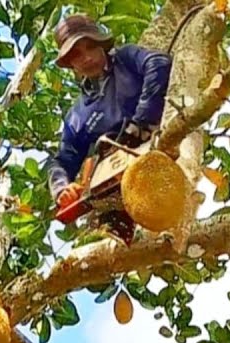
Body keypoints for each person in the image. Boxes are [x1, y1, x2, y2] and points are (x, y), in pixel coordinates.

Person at [46, 14, 174, 210]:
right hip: (117, 182)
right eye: (77, 54)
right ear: (70, 63)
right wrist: (61, 189)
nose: (87, 58)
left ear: (101, 44)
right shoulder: (77, 116)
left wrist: (141, 122)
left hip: (161, 148)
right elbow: (63, 161)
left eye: (90, 47)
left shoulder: (125, 59)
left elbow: (158, 63)